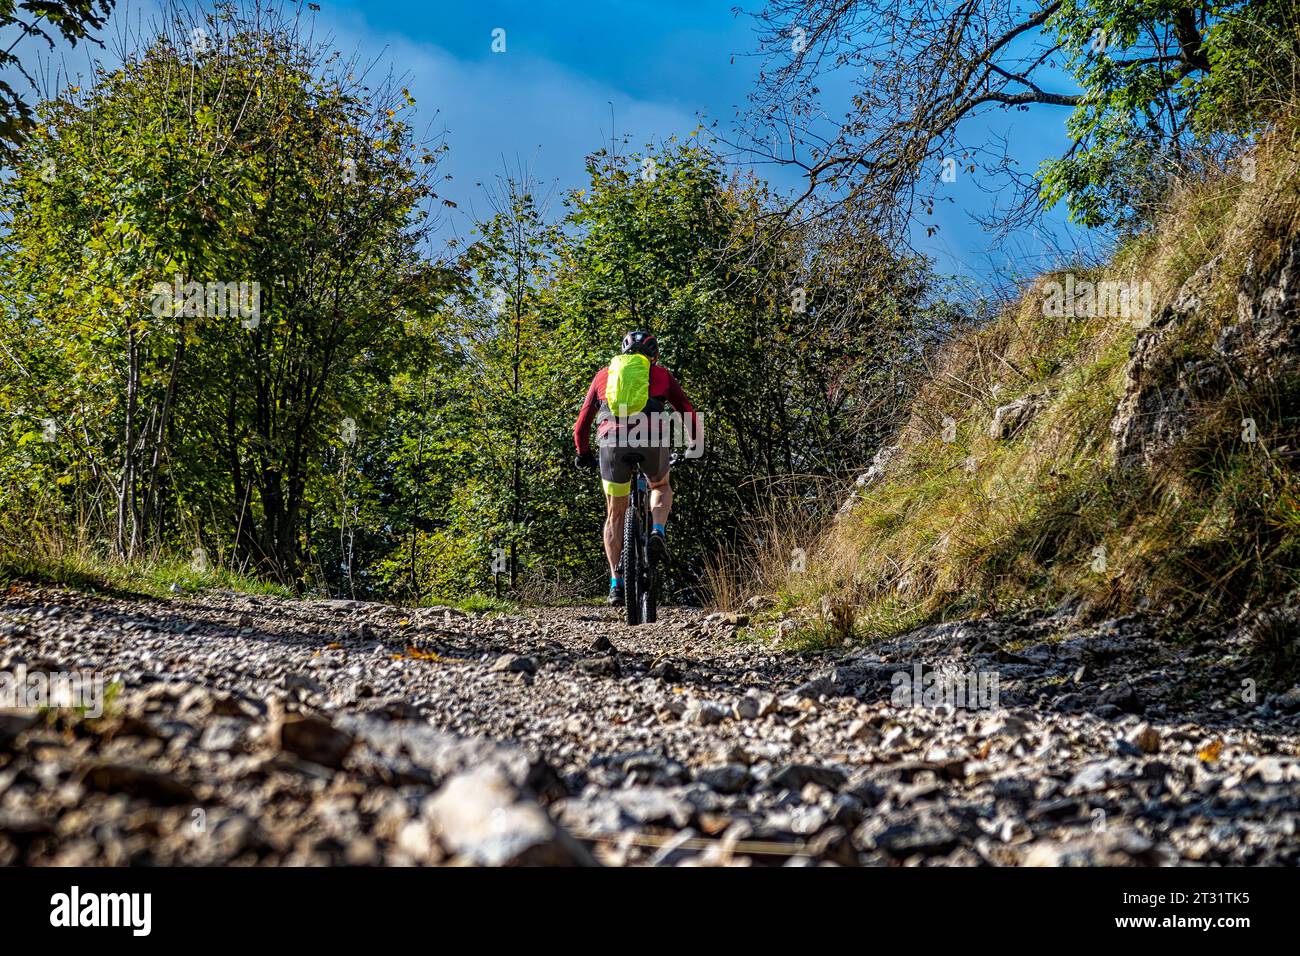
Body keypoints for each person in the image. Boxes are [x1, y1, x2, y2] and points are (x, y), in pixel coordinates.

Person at [573, 331, 697, 605]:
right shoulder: (662, 375)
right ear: (654, 356)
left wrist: (583, 453)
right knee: (661, 485)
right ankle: (657, 532)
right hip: (651, 439)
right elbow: (687, 410)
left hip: (612, 444)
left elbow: (581, 424)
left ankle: (616, 584)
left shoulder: (603, 376)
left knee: (614, 513)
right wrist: (693, 445)